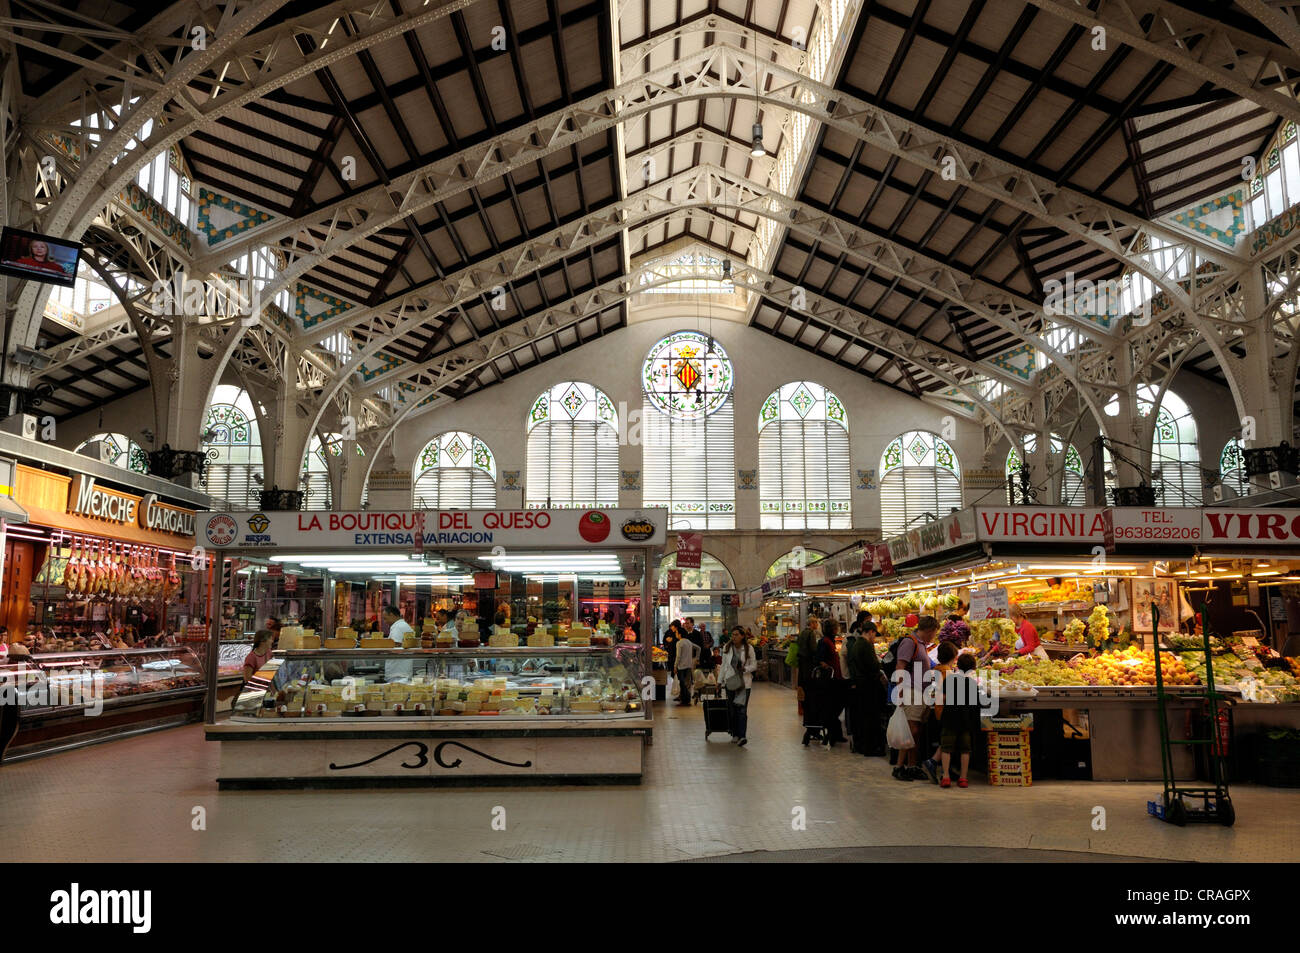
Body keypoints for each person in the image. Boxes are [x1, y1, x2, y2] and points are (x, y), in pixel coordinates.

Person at [892, 615, 937, 781]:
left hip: (920, 692)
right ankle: (899, 767)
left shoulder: (921, 644)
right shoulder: (910, 642)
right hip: (911, 691)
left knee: (916, 733)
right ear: (929, 630)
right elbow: (900, 666)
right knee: (911, 731)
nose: (934, 636)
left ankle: (912, 766)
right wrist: (901, 692)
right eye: (934, 633)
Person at [935, 653, 984, 788]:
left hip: (949, 719)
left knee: (946, 749)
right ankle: (963, 778)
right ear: (973, 668)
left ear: (958, 666)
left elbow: (942, 698)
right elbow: (975, 703)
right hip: (965, 721)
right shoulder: (973, 684)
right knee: (965, 750)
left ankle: (945, 776)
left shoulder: (950, 680)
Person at [919, 640, 960, 783]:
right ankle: (933, 762)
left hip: (937, 709)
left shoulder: (937, 669)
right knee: (949, 739)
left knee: (946, 738)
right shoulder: (946, 672)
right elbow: (943, 693)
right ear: (954, 657)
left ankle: (945, 769)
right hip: (945, 710)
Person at [846, 620, 886, 756]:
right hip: (868, 685)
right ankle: (870, 748)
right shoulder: (866, 645)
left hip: (860, 684)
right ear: (870, 632)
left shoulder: (857, 644)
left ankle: (863, 745)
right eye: (874, 634)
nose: (874, 637)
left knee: (863, 716)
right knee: (870, 717)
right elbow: (873, 665)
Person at [721, 625, 757, 746]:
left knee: (742, 710)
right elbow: (723, 665)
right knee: (732, 709)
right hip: (731, 682)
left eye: (737, 634)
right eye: (733, 634)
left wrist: (745, 669)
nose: (734, 637)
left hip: (744, 684)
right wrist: (719, 681)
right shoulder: (727, 647)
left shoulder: (748, 648)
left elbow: (754, 665)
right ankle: (735, 733)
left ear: (742, 636)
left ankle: (742, 736)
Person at [815, 618, 847, 746]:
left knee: (836, 706)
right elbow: (819, 659)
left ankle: (836, 733)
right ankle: (832, 733)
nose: (838, 629)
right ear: (833, 629)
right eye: (836, 627)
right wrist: (827, 668)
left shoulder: (831, 640)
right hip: (830, 680)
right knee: (834, 706)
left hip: (835, 678)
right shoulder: (824, 642)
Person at [239, 630, 275, 706]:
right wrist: (263, 678)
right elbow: (247, 678)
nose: (272, 641)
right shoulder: (251, 657)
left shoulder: (269, 653)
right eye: (270, 639)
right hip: (254, 694)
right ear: (262, 641)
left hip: (266, 692)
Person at [796, 616, 821, 725]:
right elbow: (813, 649)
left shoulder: (802, 633)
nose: (817, 625)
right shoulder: (811, 633)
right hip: (808, 664)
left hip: (802, 663)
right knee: (809, 687)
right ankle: (809, 708)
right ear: (812, 623)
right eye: (816, 623)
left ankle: (802, 707)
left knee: (803, 685)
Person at [382, 605, 415, 682]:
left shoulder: (398, 627)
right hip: (403, 672)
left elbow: (395, 644)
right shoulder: (404, 625)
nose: (385, 621)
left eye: (385, 618)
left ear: (392, 615)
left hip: (397, 674)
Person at [674, 626, 699, 706]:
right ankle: (687, 700)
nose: (676, 634)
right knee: (687, 684)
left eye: (677, 633)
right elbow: (698, 648)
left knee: (682, 684)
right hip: (689, 665)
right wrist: (696, 658)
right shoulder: (689, 642)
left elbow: (678, 656)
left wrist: (675, 666)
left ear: (680, 634)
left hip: (681, 666)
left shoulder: (679, 643)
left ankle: (684, 701)